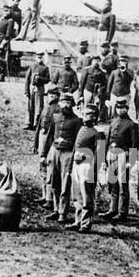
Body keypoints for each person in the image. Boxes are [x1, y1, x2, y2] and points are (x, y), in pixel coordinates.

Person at [46, 93, 80, 224]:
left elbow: (77, 141)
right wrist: (44, 154)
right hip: (54, 151)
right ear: (59, 103)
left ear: (72, 104)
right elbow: (50, 136)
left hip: (68, 153)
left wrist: (73, 153)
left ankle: (62, 212)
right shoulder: (55, 117)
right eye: (63, 102)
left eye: (68, 103)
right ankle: (55, 208)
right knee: (54, 181)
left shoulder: (76, 120)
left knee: (65, 183)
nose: (65, 105)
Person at [105, 97, 139, 222]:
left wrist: (131, 160)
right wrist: (105, 158)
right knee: (112, 182)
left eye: (122, 108)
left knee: (122, 184)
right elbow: (108, 140)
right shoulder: (113, 122)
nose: (120, 110)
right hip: (111, 153)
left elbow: (135, 144)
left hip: (123, 155)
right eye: (118, 108)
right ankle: (112, 209)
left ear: (127, 109)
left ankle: (122, 212)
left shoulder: (131, 124)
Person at [72, 101, 104, 232]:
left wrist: (93, 169)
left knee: (87, 195)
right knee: (77, 193)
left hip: (87, 166)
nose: (85, 116)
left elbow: (100, 153)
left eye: (88, 114)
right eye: (84, 114)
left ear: (94, 116)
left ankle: (85, 223)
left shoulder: (98, 132)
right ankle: (78, 220)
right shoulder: (82, 128)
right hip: (77, 164)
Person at [24, 52, 50, 130]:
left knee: (39, 107)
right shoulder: (32, 66)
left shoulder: (45, 68)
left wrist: (40, 79)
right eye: (38, 57)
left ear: (43, 58)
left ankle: (37, 124)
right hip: (32, 88)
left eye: (41, 57)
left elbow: (47, 79)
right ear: (36, 58)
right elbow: (27, 78)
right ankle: (29, 123)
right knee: (30, 106)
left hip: (40, 88)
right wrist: (26, 90)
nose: (39, 59)